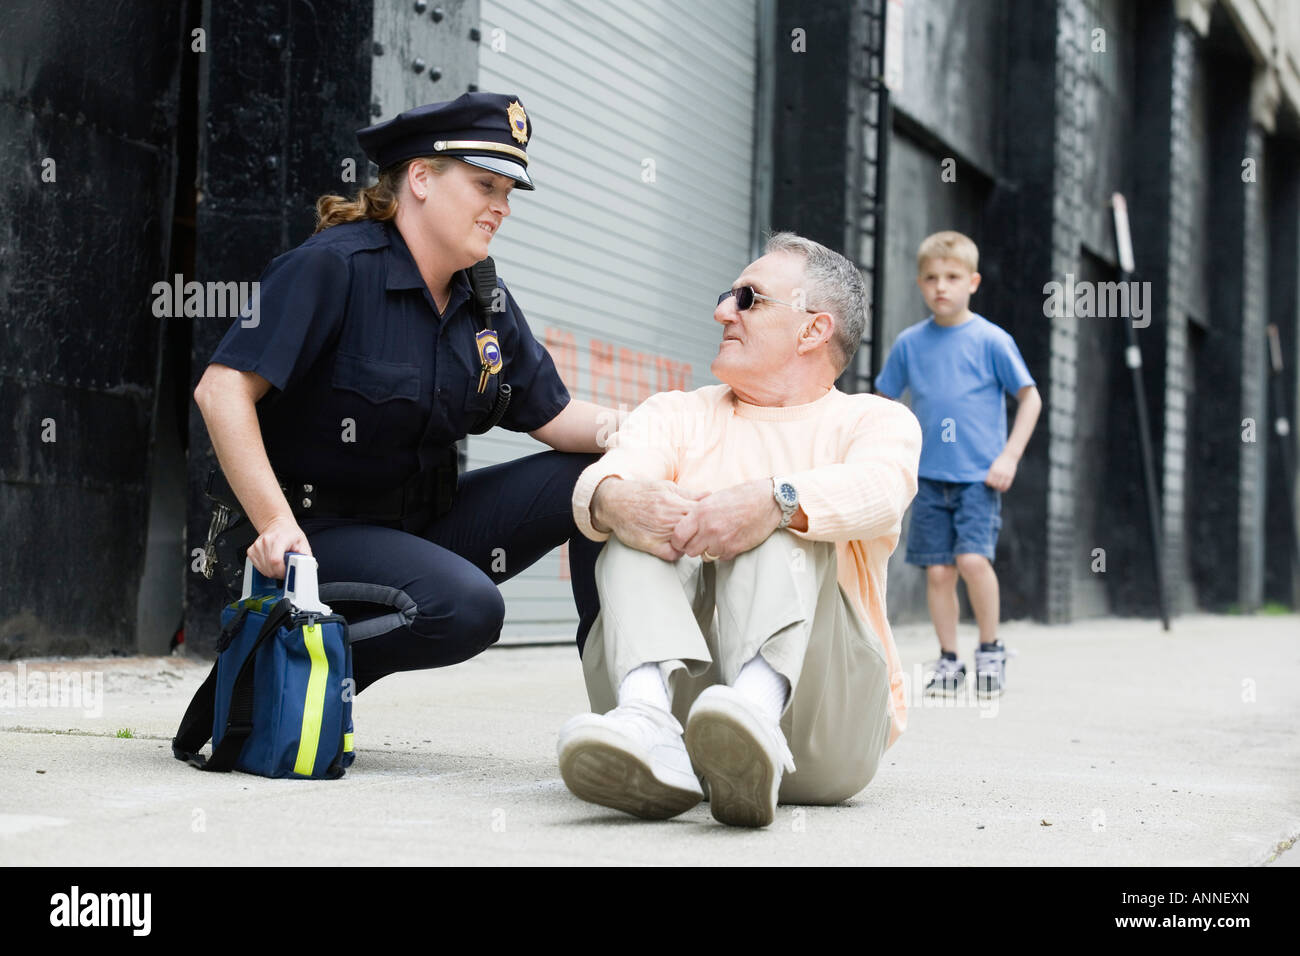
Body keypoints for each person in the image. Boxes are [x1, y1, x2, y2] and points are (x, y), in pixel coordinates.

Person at [194, 92, 611, 698]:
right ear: (420, 178)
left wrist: (662, 429)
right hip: (313, 534)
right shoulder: (332, 267)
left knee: (602, 475)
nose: (501, 208)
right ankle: (261, 676)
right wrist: (275, 524)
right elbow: (221, 389)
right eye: (484, 186)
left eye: (507, 193)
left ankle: (628, 714)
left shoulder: (483, 299)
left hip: (420, 524)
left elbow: (559, 416)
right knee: (466, 608)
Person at [554, 232, 922, 828]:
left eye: (749, 299)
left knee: (782, 512)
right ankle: (647, 721)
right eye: (728, 296)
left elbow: (880, 491)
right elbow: (607, 478)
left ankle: (755, 715)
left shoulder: (873, 421)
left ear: (812, 330)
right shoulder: (676, 413)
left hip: (819, 734)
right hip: (674, 717)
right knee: (638, 510)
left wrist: (774, 500)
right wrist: (616, 499)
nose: (723, 311)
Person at [874, 230, 1041, 697]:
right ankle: (949, 660)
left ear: (973, 281)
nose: (940, 287)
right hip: (927, 478)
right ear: (919, 283)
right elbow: (883, 401)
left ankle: (990, 647)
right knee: (940, 571)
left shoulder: (991, 340)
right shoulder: (910, 343)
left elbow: (1030, 398)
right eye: (930, 278)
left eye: (951, 277)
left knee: (971, 559)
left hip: (977, 477)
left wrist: (1009, 456)